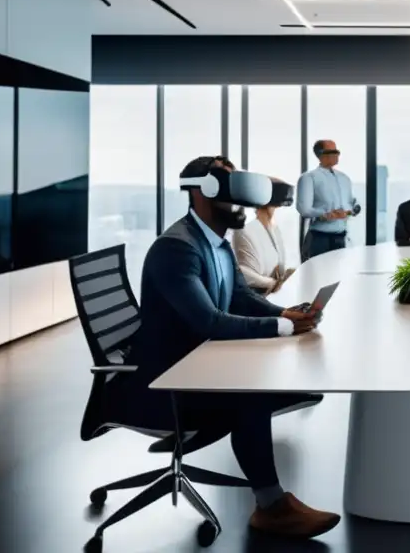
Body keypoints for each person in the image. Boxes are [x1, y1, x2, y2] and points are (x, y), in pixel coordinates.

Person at [109, 156, 340, 539]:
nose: (240, 200)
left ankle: (271, 501)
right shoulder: (177, 250)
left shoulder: (215, 243)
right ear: (203, 191)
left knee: (263, 379)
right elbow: (209, 321)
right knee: (249, 392)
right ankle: (271, 507)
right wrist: (280, 327)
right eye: (229, 189)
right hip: (162, 383)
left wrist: (285, 312)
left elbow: (241, 296)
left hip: (196, 364)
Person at [296, 139, 358, 261]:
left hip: (341, 238)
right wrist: (324, 214)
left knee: (340, 277)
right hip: (319, 240)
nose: (337, 154)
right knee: (318, 278)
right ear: (320, 155)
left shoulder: (345, 179)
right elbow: (303, 209)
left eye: (337, 151)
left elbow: (353, 204)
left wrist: (348, 212)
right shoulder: (309, 178)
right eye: (332, 151)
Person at [233, 186, 294, 294]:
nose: (278, 209)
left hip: (274, 292)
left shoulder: (275, 230)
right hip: (257, 295)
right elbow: (241, 272)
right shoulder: (245, 231)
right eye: (276, 206)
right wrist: (271, 283)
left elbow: (279, 267)